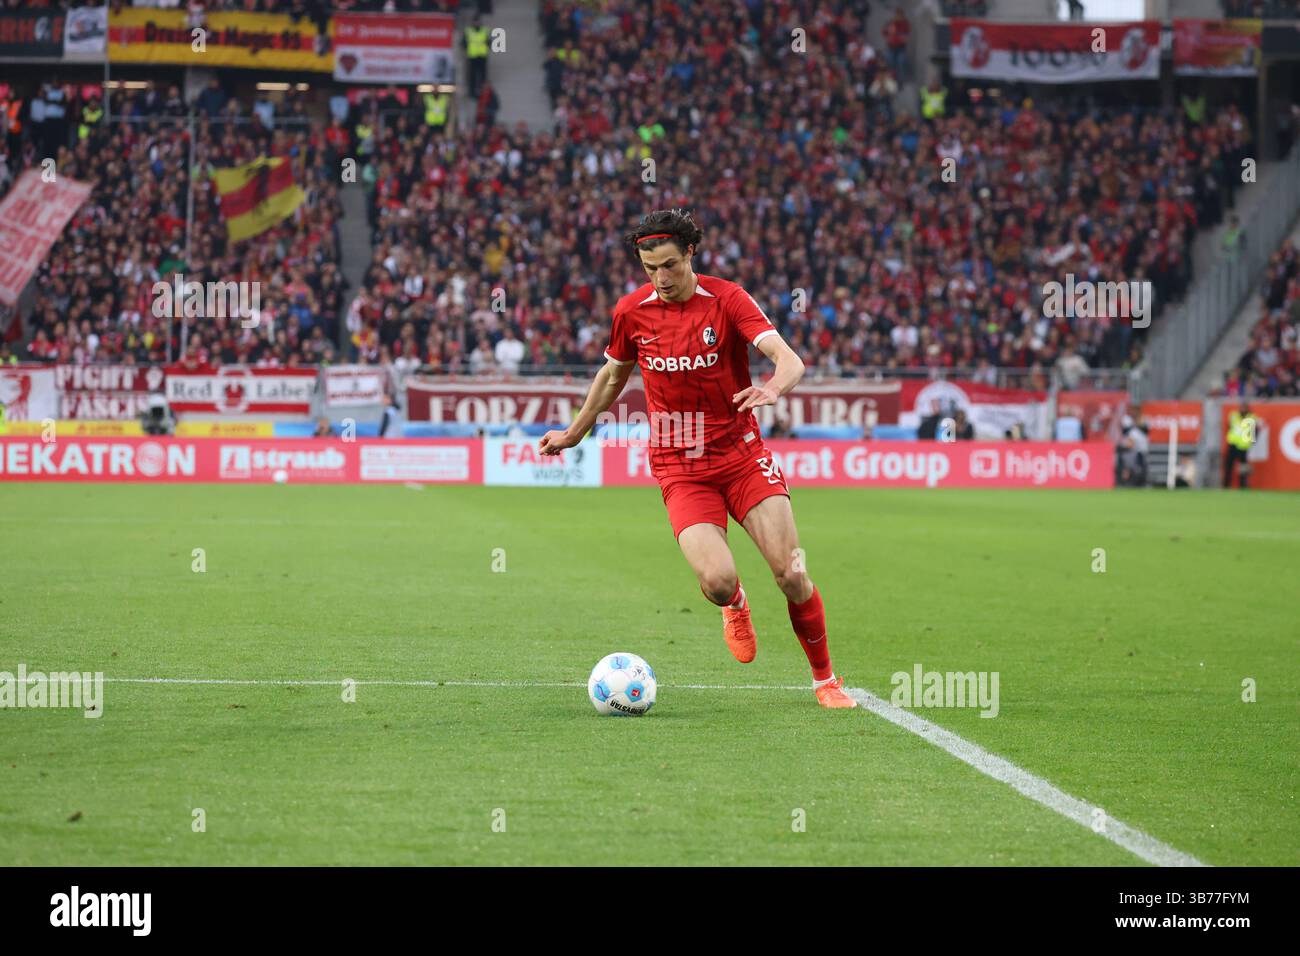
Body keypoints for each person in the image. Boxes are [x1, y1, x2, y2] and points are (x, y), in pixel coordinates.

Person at [539, 209, 857, 709]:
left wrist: (773, 388)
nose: (660, 279)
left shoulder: (728, 299)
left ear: (690, 253)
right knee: (717, 579)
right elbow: (612, 377)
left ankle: (826, 681)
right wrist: (574, 433)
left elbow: (789, 358)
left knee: (793, 574)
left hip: (742, 456)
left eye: (669, 265)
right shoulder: (631, 312)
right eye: (649, 268)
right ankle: (735, 605)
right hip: (679, 464)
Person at [1223, 400, 1257, 488]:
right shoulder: (1233, 415)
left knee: (1243, 467)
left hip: (1244, 445)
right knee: (1229, 466)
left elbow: (1253, 432)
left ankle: (1243, 485)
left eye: (1244, 407)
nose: (1242, 409)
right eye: (1241, 407)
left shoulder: (1251, 417)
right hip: (1233, 444)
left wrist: (1252, 443)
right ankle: (1226, 485)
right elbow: (1230, 427)